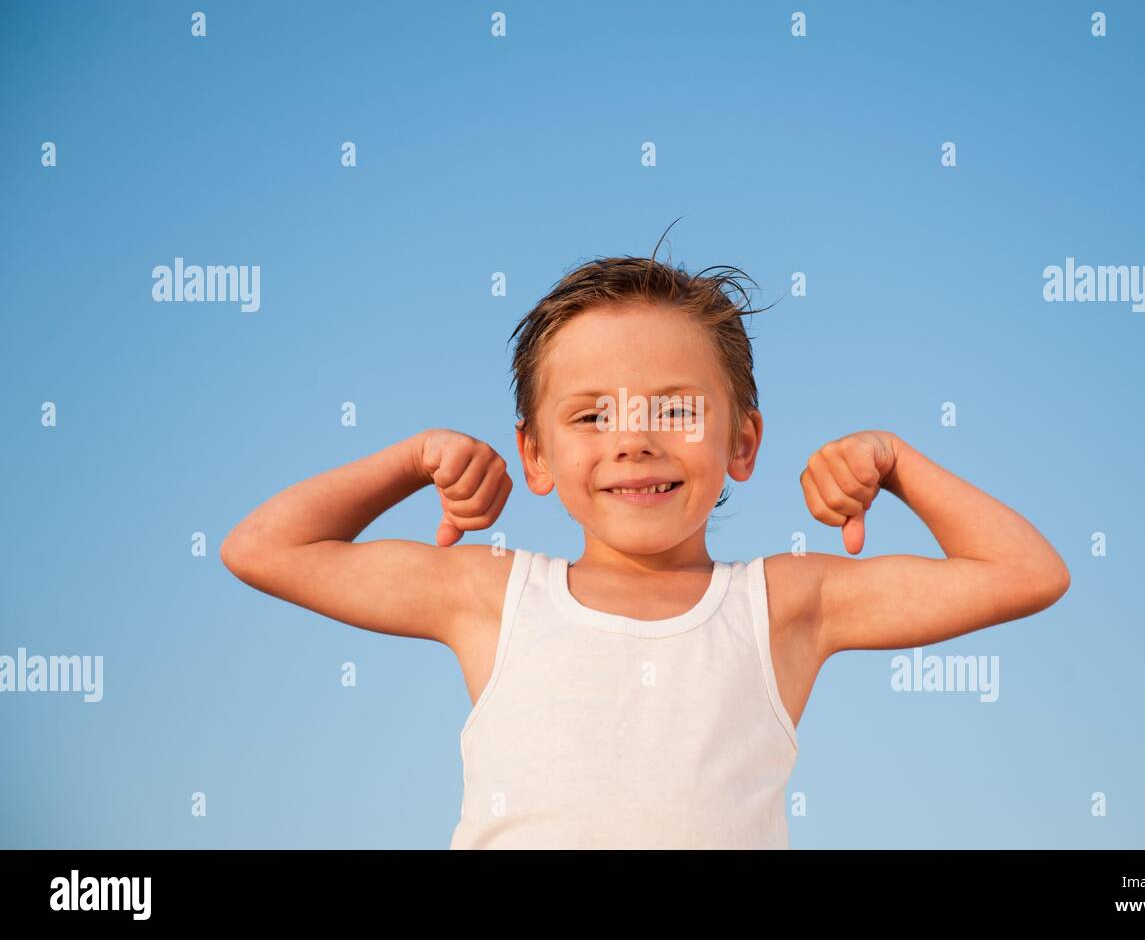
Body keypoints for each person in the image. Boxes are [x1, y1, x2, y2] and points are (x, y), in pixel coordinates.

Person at [220, 233, 1070, 849]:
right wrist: (409, 462)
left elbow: (1025, 572)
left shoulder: (784, 605)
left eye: (677, 409)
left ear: (742, 441)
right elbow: (264, 548)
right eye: (591, 415)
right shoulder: (490, 593)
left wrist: (896, 461)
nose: (635, 439)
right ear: (536, 454)